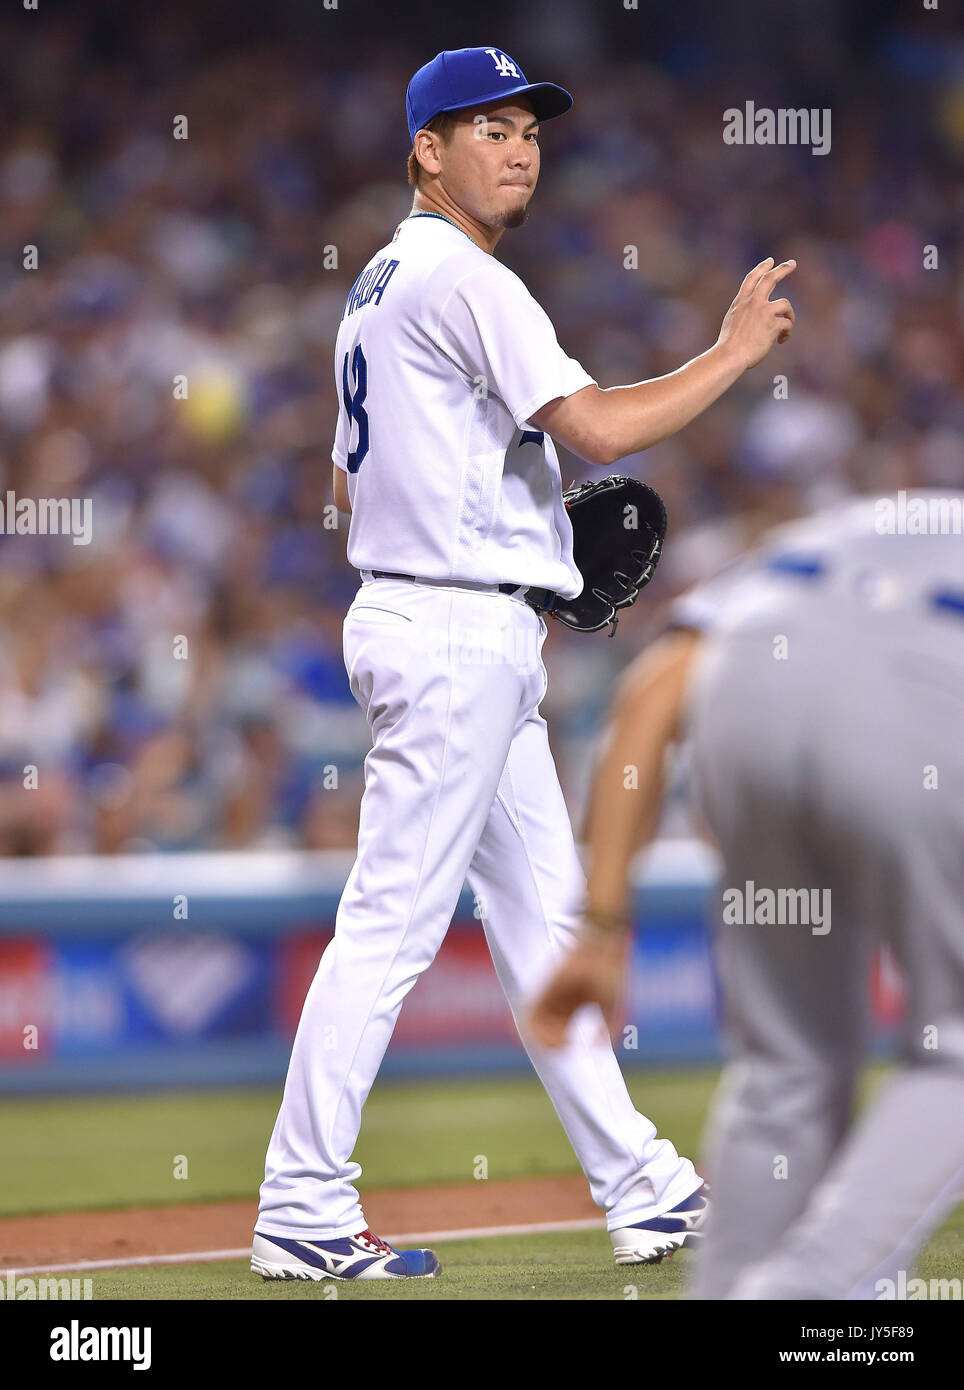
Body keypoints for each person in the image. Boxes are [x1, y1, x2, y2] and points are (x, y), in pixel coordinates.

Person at [252, 44, 795, 1283]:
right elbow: (598, 425)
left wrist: (527, 545)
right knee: (391, 925)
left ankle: (644, 1187)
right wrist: (727, 354)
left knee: (548, 924)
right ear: (425, 152)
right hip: (449, 632)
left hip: (451, 620)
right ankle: (300, 1201)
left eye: (528, 128)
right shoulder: (465, 277)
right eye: (484, 126)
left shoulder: (380, 281)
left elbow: (341, 479)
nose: (516, 146)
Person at [530, 492, 964, 1298]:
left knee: (786, 1068)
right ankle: (810, 1292)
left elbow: (649, 698)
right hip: (931, 695)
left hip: (749, 693)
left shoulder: (837, 526)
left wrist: (599, 926)